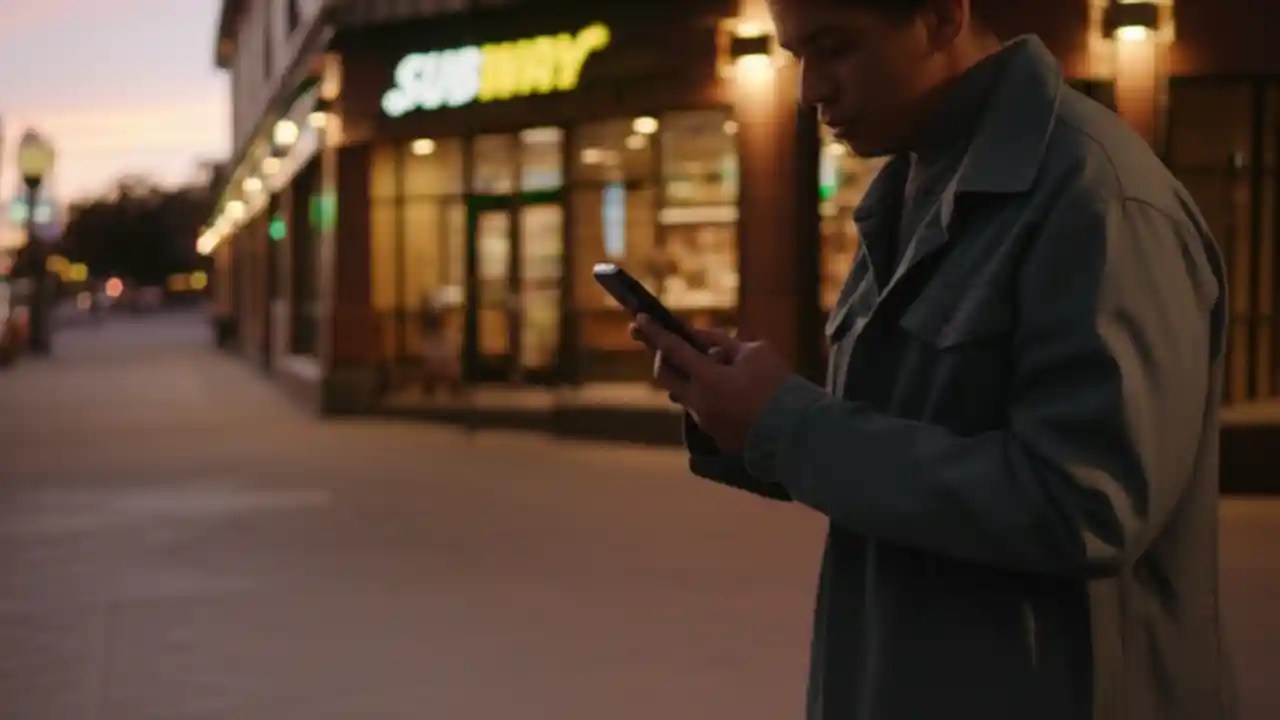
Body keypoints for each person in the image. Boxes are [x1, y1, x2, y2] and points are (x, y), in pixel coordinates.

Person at [629, 1, 1236, 718]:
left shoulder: (1097, 199)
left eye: (835, 46)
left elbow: (1087, 505)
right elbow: (904, 448)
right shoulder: (915, 185)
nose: (809, 89)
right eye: (797, 55)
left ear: (944, 17)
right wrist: (750, 415)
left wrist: (789, 423)